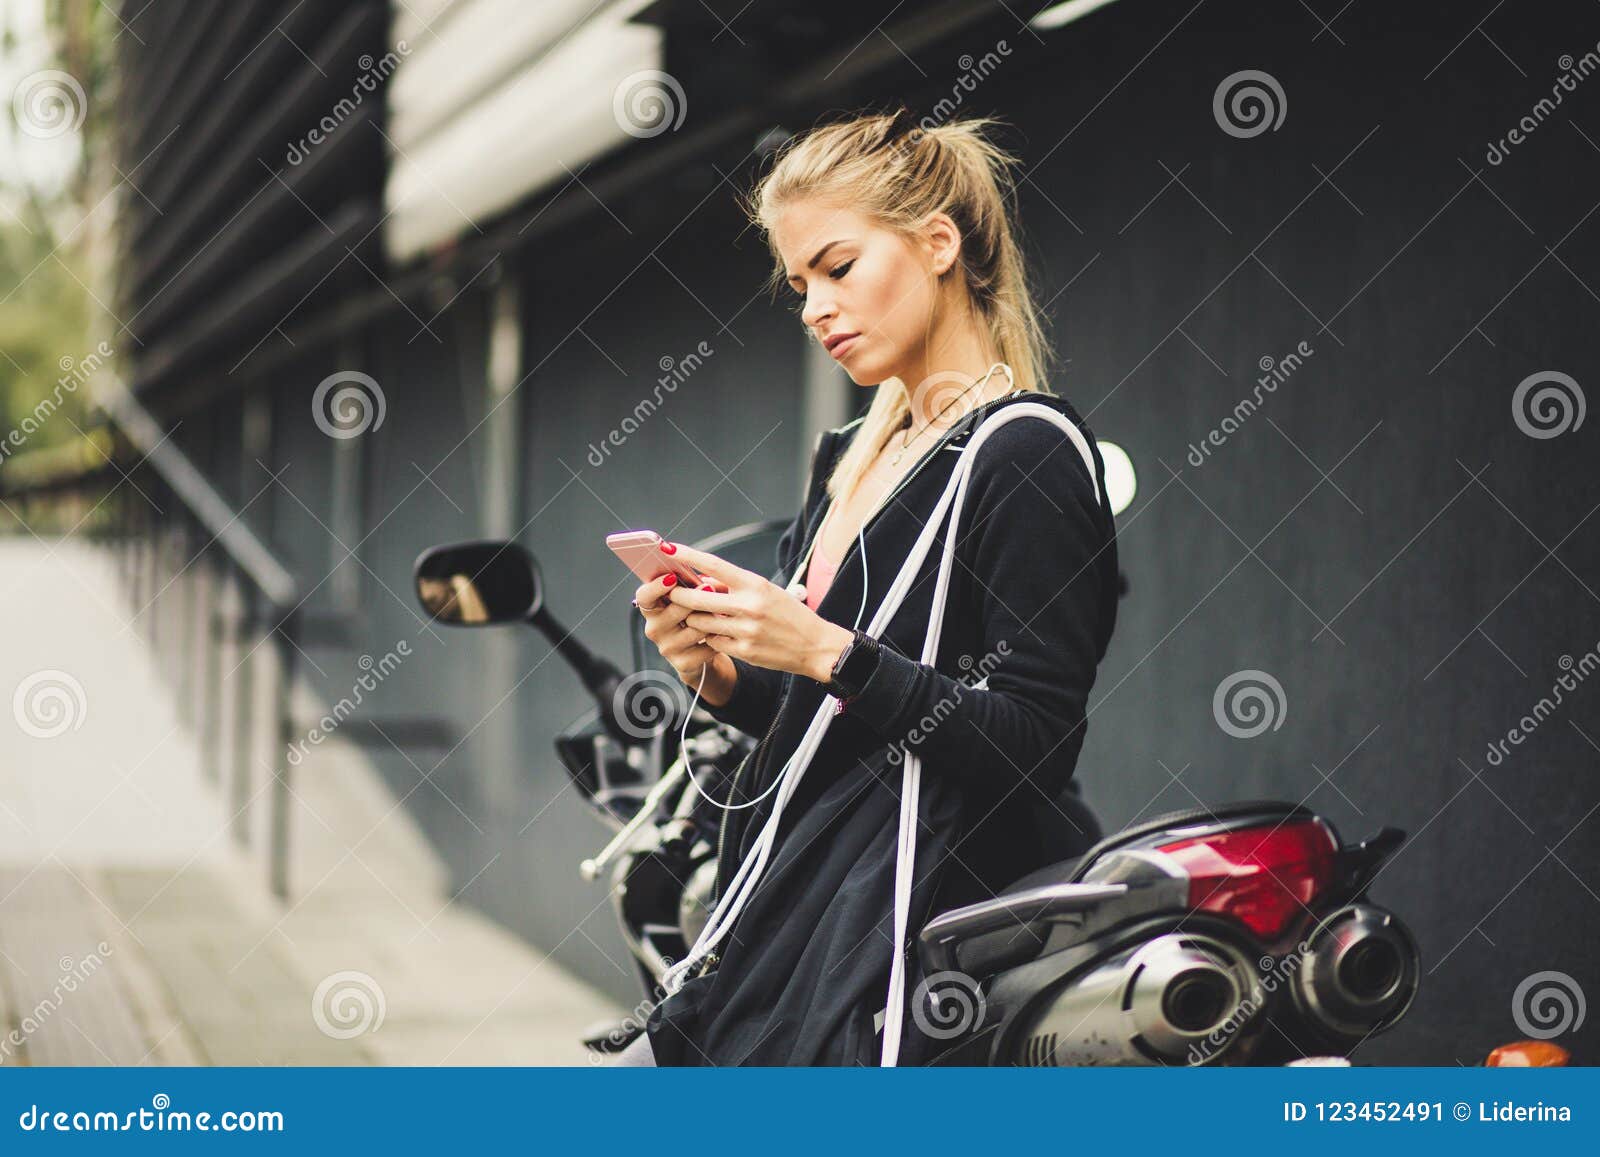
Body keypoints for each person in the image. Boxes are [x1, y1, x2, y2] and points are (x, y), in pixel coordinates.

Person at [622, 106, 1119, 1066]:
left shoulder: (1027, 452)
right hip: (790, 900)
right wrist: (720, 671)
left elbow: (1037, 746)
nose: (812, 307)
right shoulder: (854, 452)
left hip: (904, 932)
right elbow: (834, 718)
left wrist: (820, 647)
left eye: (837, 268)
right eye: (798, 282)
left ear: (939, 244)